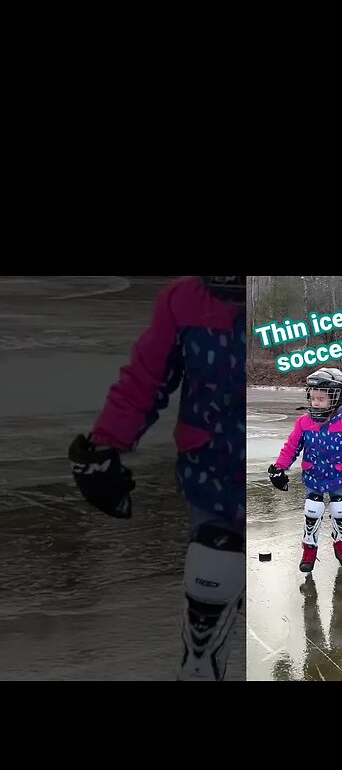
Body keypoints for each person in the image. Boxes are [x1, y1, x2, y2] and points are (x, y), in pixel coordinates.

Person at [68, 276, 245, 682]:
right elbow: (144, 381)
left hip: (273, 471)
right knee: (212, 580)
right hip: (213, 471)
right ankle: (200, 666)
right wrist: (105, 444)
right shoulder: (183, 301)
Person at [267, 368, 342, 573]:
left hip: (338, 476)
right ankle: (309, 549)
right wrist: (279, 468)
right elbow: (292, 447)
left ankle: (341, 545)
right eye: (313, 398)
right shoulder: (304, 423)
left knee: (339, 510)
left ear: (336, 398)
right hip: (313, 475)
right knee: (312, 510)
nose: (315, 403)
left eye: (321, 399)